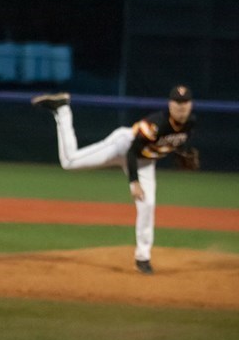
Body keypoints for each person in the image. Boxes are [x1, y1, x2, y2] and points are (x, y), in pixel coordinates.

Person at [32, 85, 199, 274]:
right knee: (69, 161)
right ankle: (62, 109)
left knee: (148, 204)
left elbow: (175, 142)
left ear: (190, 105)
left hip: (145, 161)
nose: (181, 107)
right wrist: (134, 182)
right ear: (170, 104)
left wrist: (182, 154)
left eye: (184, 103)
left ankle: (143, 258)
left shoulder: (190, 123)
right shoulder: (157, 123)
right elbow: (132, 151)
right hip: (123, 147)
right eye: (177, 103)